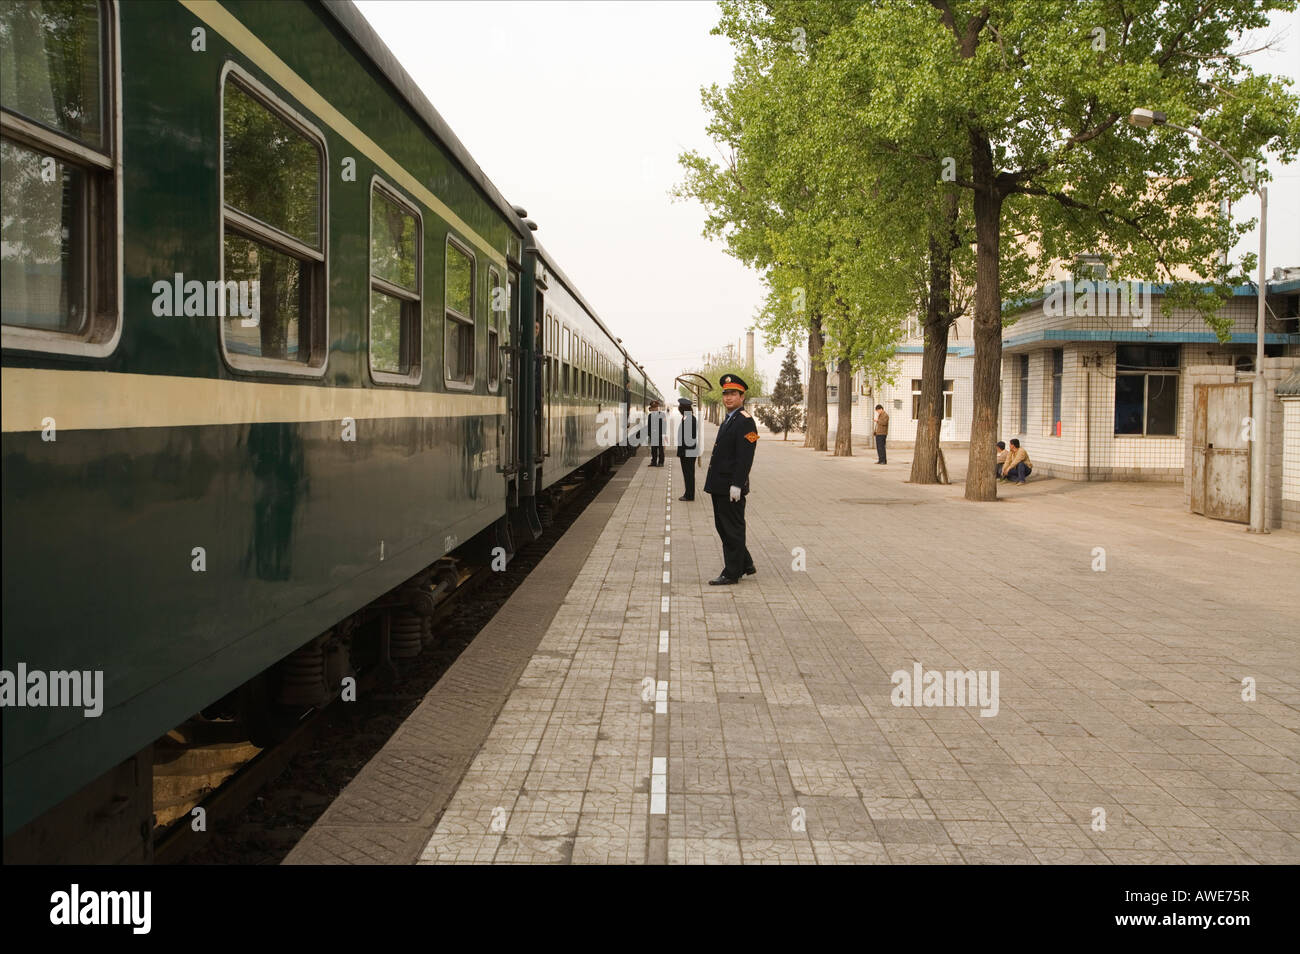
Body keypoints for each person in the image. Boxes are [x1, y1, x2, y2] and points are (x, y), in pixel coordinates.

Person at [704, 374, 758, 585]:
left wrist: (737, 484)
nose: (728, 398)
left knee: (731, 528)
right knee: (724, 526)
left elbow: (746, 457)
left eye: (733, 394)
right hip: (720, 484)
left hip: (730, 486)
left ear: (742, 397)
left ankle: (732, 572)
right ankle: (745, 563)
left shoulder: (745, 422)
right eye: (726, 394)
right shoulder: (730, 419)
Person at [677, 397, 698, 500]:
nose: (679, 409)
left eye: (680, 407)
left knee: (688, 474)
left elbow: (689, 438)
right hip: (688, 451)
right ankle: (688, 493)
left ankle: (689, 495)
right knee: (688, 474)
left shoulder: (689, 419)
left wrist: (683, 451)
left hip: (688, 452)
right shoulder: (687, 417)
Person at [648, 401, 665, 466]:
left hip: (660, 435)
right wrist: (649, 434)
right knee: (653, 449)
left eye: (655, 407)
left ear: (658, 408)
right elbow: (649, 426)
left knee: (660, 449)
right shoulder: (650, 415)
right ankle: (654, 462)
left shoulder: (662, 415)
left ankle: (661, 462)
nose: (654, 409)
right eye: (653, 408)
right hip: (653, 435)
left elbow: (664, 425)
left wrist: (663, 435)